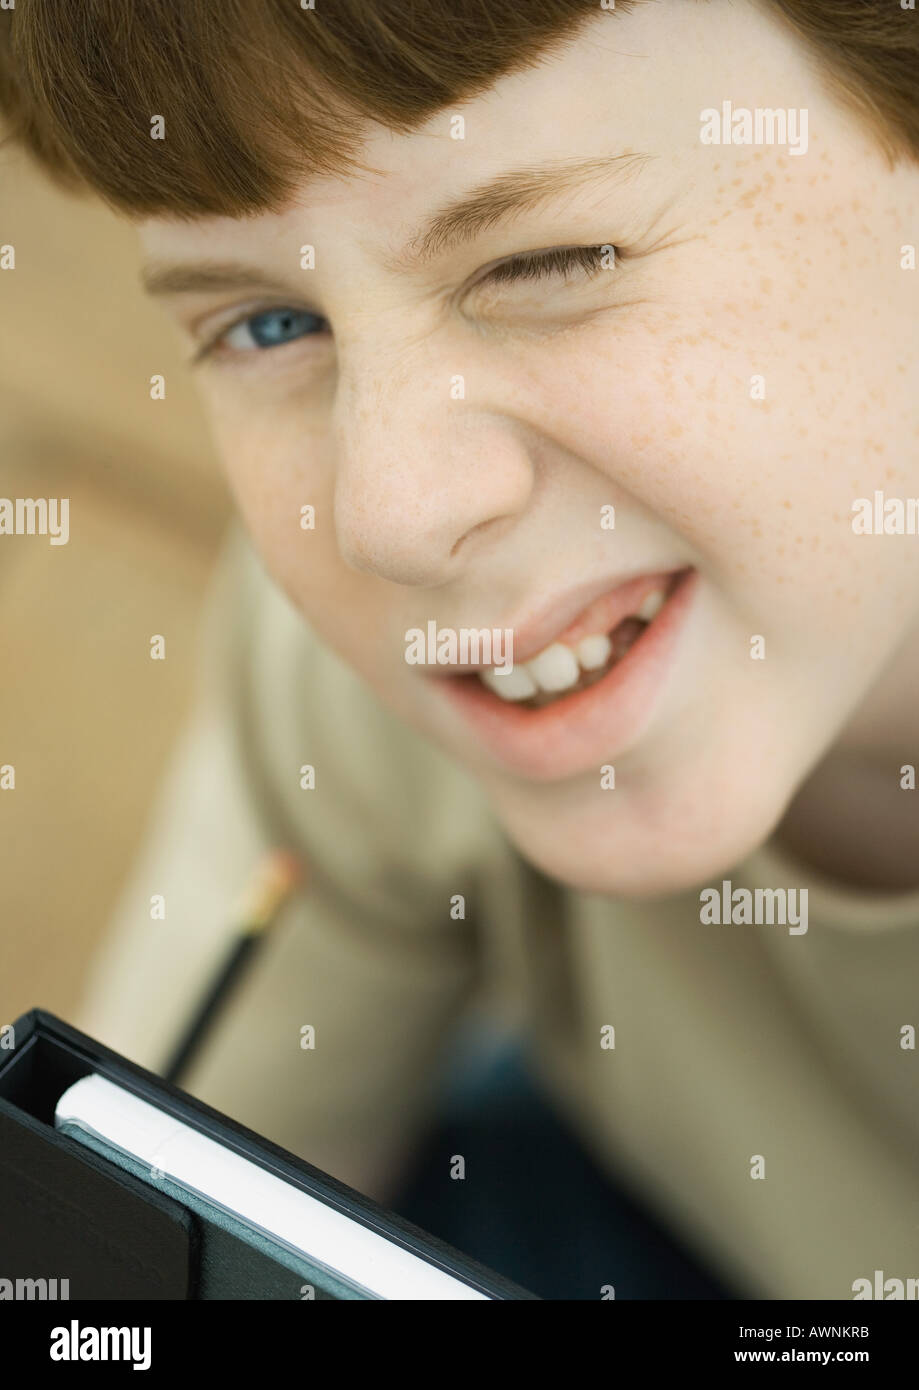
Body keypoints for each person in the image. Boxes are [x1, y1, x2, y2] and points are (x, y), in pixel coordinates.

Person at [2, 0, 918, 1299]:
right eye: (268, 324)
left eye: (549, 259)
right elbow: (121, 1276)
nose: (391, 513)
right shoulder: (411, 661)